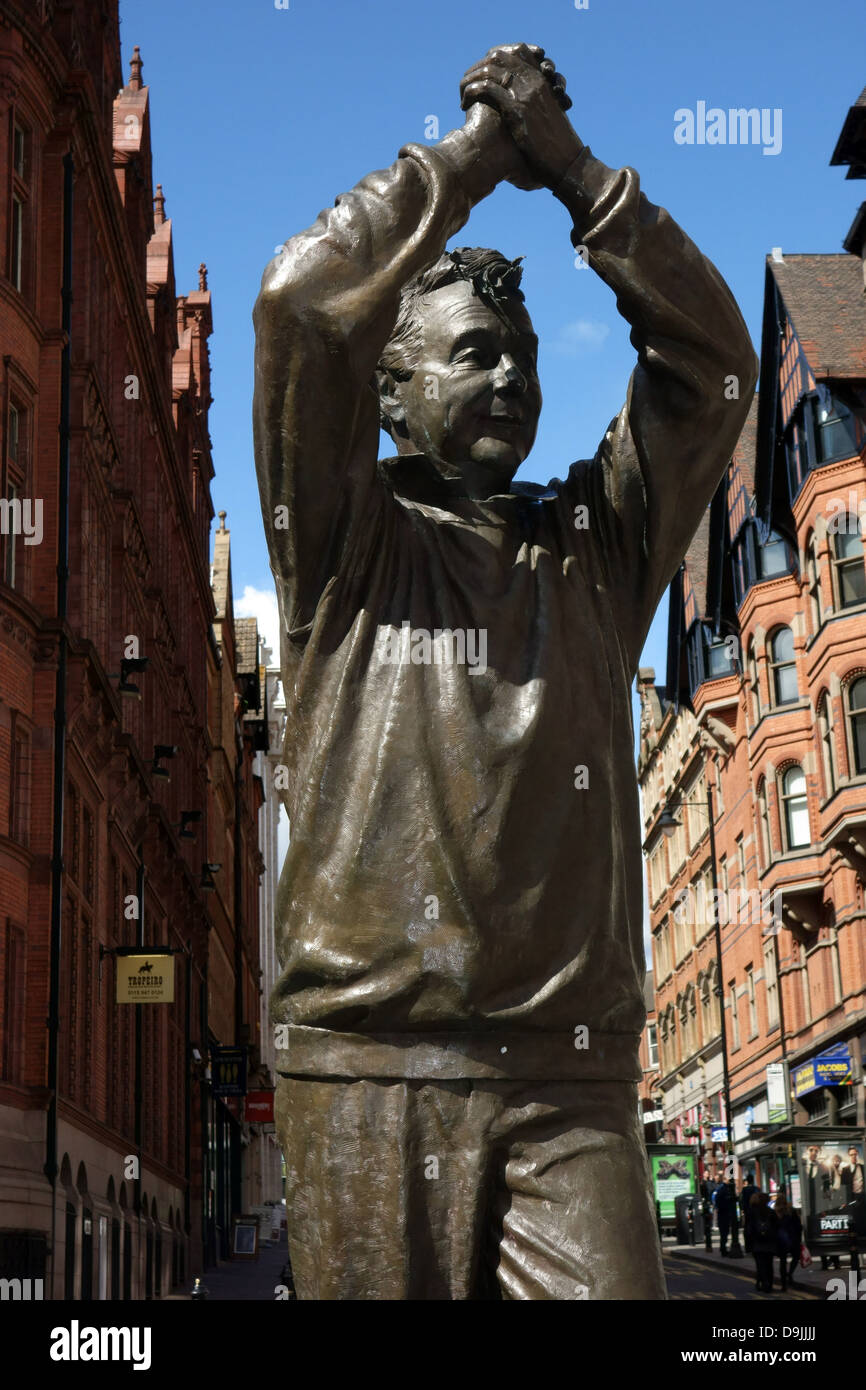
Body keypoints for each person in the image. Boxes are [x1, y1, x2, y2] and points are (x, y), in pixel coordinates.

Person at [254, 41, 757, 1300]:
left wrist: (581, 176)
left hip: (566, 1079)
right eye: (473, 351)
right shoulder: (338, 543)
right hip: (369, 1069)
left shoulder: (593, 549)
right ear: (389, 389)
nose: (509, 377)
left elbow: (714, 374)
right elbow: (300, 307)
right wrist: (480, 153)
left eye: (523, 356)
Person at [747, 1190, 779, 1293]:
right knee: (769, 1264)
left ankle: (763, 1282)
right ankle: (769, 1284)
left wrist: (749, 1244)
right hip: (769, 1242)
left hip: (757, 1242)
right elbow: (777, 1226)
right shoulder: (771, 1212)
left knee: (760, 1264)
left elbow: (749, 1229)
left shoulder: (752, 1212)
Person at [773, 1194, 802, 1292]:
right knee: (796, 1257)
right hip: (792, 1239)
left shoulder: (775, 1213)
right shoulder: (791, 1211)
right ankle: (790, 1273)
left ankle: (783, 1284)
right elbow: (798, 1226)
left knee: (783, 1261)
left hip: (780, 1241)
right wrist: (799, 1238)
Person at [739, 1173, 758, 1252]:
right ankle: (755, 1245)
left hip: (748, 1212)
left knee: (747, 1229)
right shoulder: (756, 1189)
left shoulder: (744, 1190)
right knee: (756, 1229)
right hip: (756, 1213)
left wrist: (742, 1209)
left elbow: (741, 1201)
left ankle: (748, 1247)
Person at [715, 1179, 734, 1256]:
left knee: (724, 1233)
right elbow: (721, 1201)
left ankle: (723, 1248)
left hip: (723, 1214)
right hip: (723, 1214)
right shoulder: (723, 1189)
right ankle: (723, 1249)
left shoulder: (723, 1189)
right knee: (724, 1233)